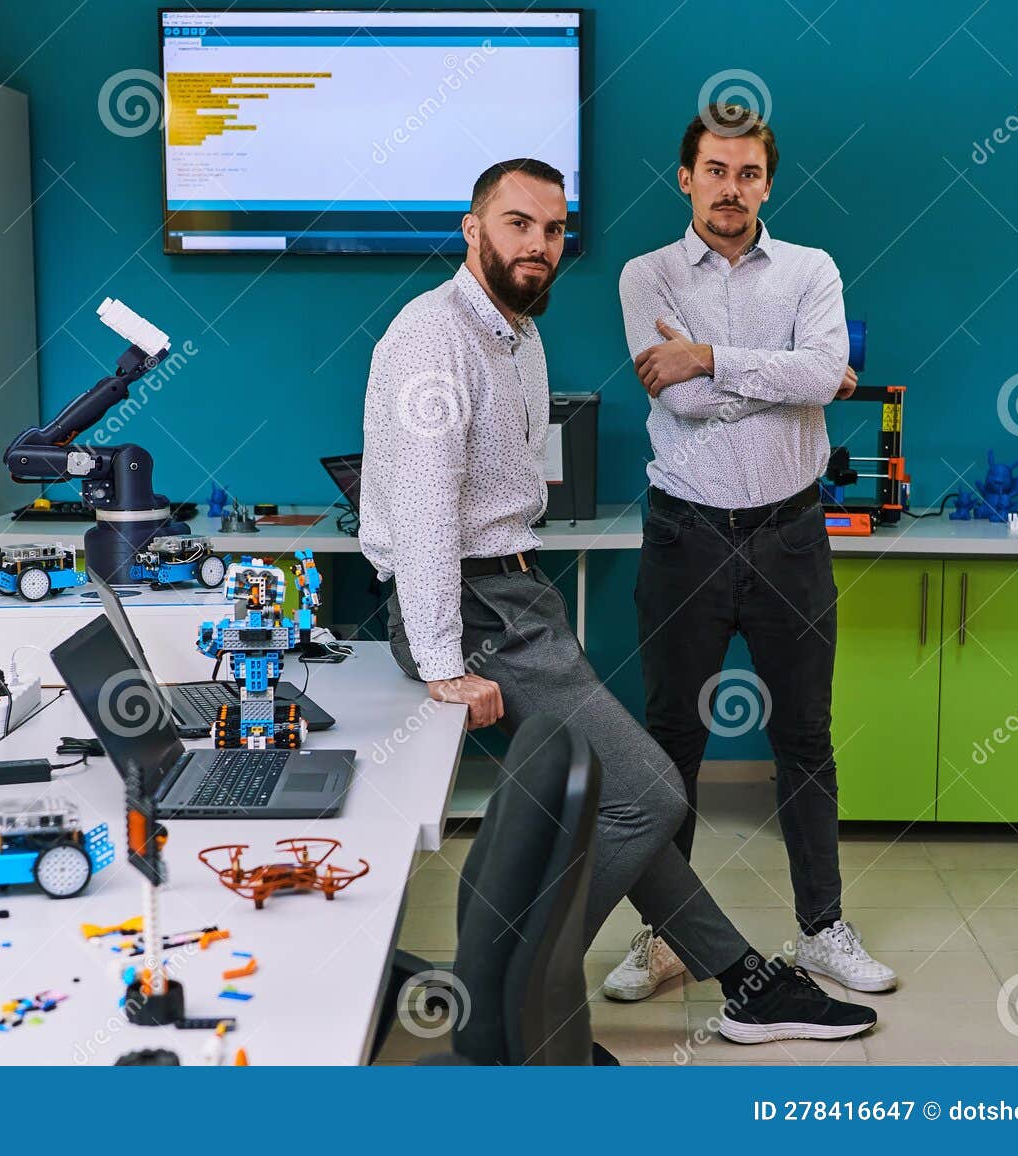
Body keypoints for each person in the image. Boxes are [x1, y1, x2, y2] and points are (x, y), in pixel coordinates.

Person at [360, 157, 877, 1045]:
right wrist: (444, 661)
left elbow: (826, 375)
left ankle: (748, 983)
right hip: (483, 614)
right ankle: (499, 988)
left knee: (627, 790)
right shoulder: (432, 338)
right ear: (472, 228)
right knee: (648, 792)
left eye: (555, 230)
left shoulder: (515, 333)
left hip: (516, 596)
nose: (540, 245)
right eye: (518, 224)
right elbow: (420, 510)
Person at [604, 104, 896, 1003]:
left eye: (749, 174)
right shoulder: (644, 273)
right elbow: (690, 399)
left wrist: (713, 359)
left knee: (806, 738)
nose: (733, 189)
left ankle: (822, 931)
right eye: (716, 171)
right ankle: (664, 938)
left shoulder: (812, 268)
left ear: (769, 183)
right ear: (686, 177)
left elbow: (826, 374)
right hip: (686, 534)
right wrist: (790, 373)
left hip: (791, 534)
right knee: (672, 745)